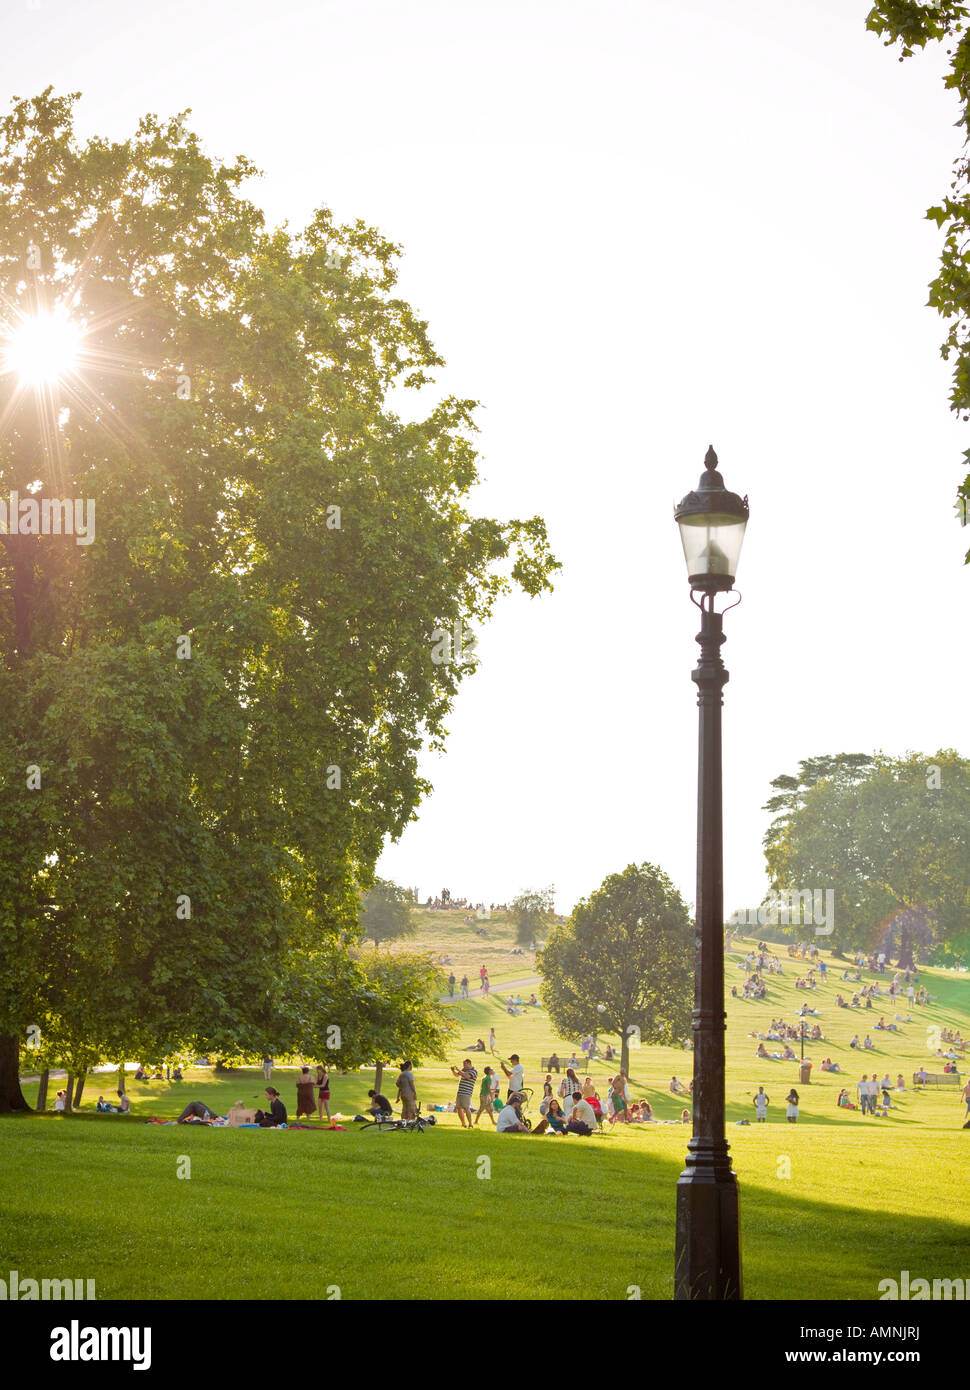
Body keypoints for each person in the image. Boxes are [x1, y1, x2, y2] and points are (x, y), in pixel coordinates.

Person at [450, 1059, 477, 1127]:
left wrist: (459, 1070)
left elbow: (467, 1076)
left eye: (465, 1064)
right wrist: (453, 1070)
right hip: (460, 1092)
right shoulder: (464, 1070)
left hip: (467, 1093)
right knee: (458, 1108)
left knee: (466, 1108)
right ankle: (463, 1123)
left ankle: (470, 1123)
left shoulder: (474, 1071)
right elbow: (457, 1075)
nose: (464, 1066)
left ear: (469, 1063)